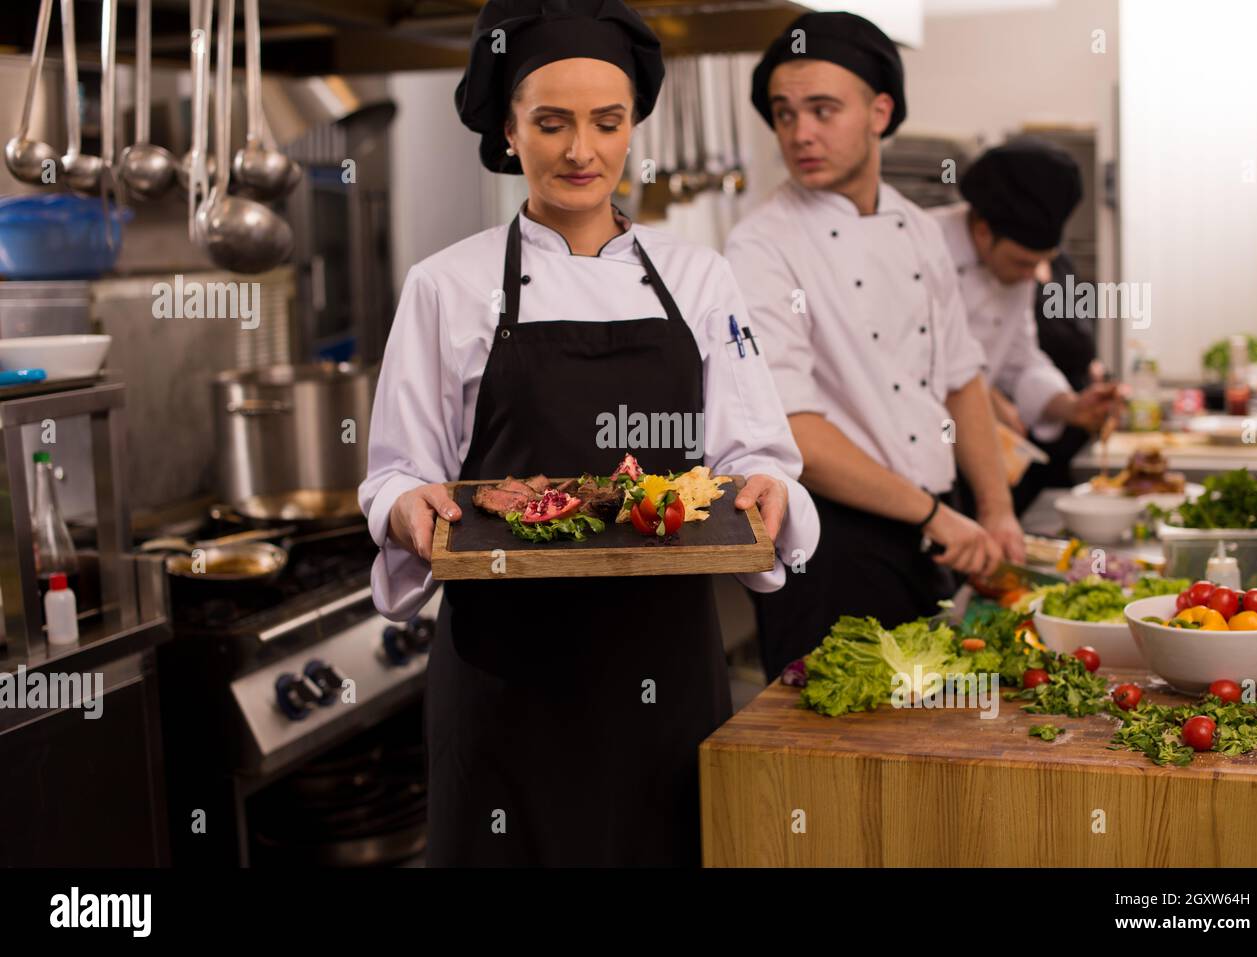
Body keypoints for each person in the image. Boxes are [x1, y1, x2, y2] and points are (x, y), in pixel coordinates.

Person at [358, 0, 818, 866]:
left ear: (633, 125)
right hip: (505, 670)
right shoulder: (444, 286)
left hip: (664, 665)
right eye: (551, 123)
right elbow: (396, 472)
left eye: (607, 123)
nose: (582, 151)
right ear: (508, 128)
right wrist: (404, 509)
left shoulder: (698, 276)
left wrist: (769, 492)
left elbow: (756, 455)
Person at [723, 11, 1023, 682]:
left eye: (823, 110)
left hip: (928, 530)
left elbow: (961, 381)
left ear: (880, 111)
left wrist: (997, 511)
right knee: (833, 762)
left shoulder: (918, 230)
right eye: (785, 112)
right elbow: (795, 427)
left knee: (926, 753)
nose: (800, 133)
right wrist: (936, 516)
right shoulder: (760, 245)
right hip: (828, 544)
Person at [929, 139, 1121, 512]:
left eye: (1041, 263)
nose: (1033, 276)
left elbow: (1020, 360)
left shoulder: (1014, 273)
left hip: (970, 463)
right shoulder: (920, 247)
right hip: (906, 465)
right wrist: (980, 397)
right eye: (1022, 263)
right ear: (983, 231)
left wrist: (1070, 406)